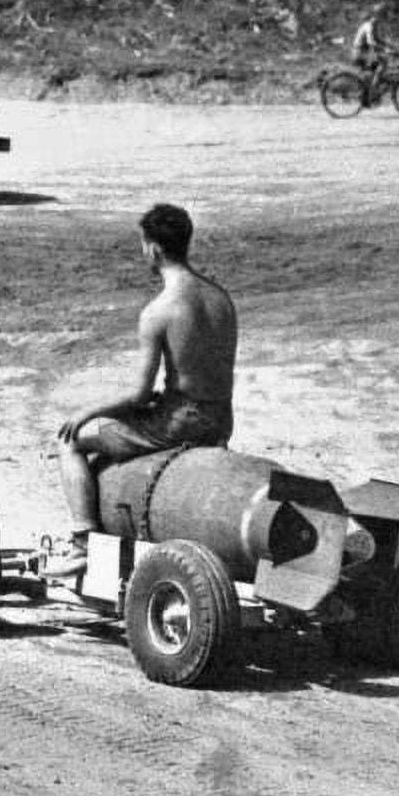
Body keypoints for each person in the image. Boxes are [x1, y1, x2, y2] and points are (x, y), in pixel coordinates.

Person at [48, 203, 238, 576]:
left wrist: (89, 411)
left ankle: (82, 542)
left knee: (70, 441)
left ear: (153, 249)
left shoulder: (160, 310)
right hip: (221, 419)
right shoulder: (221, 299)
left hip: (179, 423)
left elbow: (138, 394)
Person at [352, 3, 393, 92]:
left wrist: (390, 46)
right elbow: (371, 42)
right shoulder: (369, 25)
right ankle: (373, 91)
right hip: (360, 53)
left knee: (377, 67)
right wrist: (385, 49)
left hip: (364, 52)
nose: (385, 18)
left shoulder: (374, 25)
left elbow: (377, 40)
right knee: (383, 64)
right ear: (378, 15)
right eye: (384, 15)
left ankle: (369, 92)